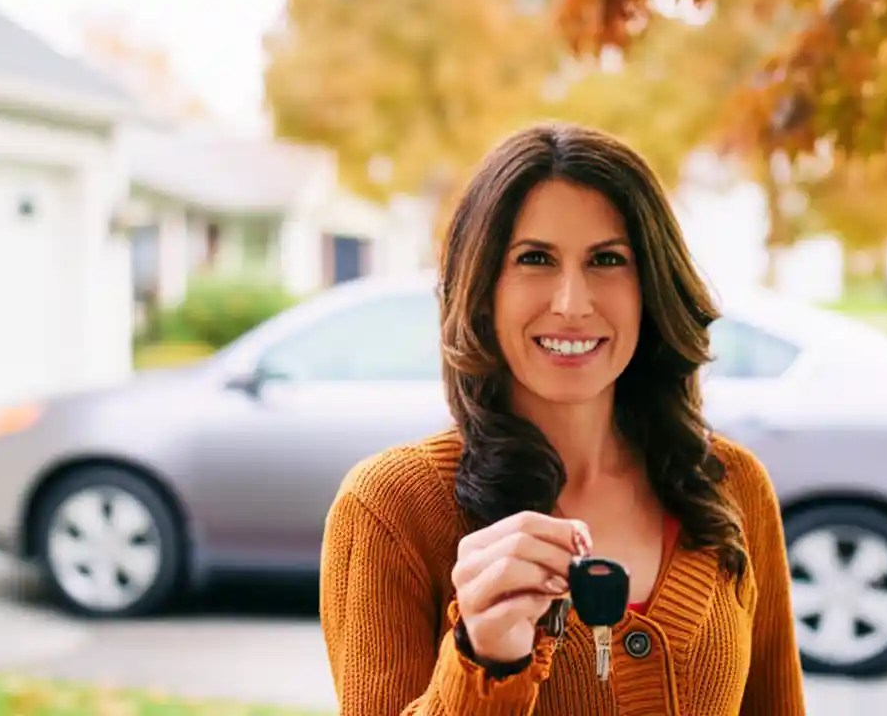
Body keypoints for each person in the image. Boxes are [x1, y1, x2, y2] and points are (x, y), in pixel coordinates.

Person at [318, 122, 806, 715]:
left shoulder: (731, 486)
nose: (572, 304)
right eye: (534, 259)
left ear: (650, 285)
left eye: (607, 259)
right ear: (482, 289)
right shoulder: (392, 510)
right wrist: (485, 662)